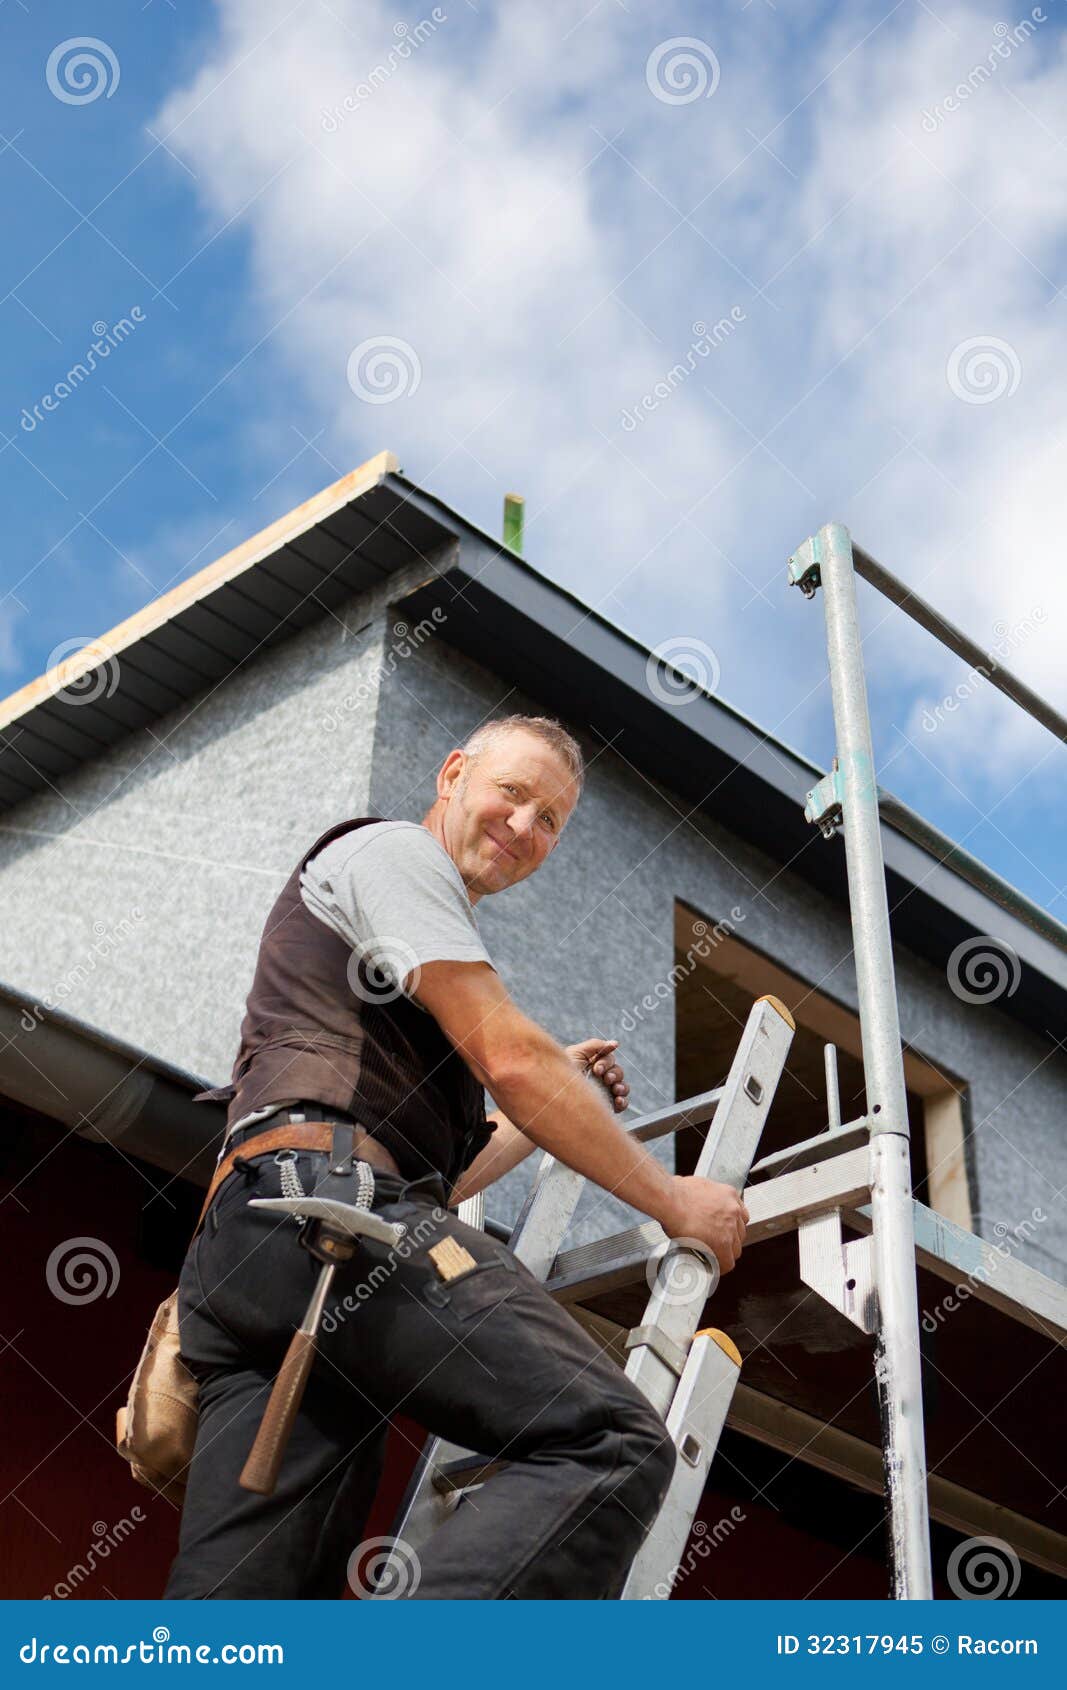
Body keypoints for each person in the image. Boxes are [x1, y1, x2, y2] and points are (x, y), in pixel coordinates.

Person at [164, 713, 749, 1599]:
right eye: (511, 793)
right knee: (610, 1442)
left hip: (275, 1255)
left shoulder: (399, 967)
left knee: (245, 1610)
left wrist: (556, 1095)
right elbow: (509, 1058)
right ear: (451, 775)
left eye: (549, 819)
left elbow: (442, 1177)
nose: (523, 826)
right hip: (326, 1214)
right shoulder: (392, 856)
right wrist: (671, 1198)